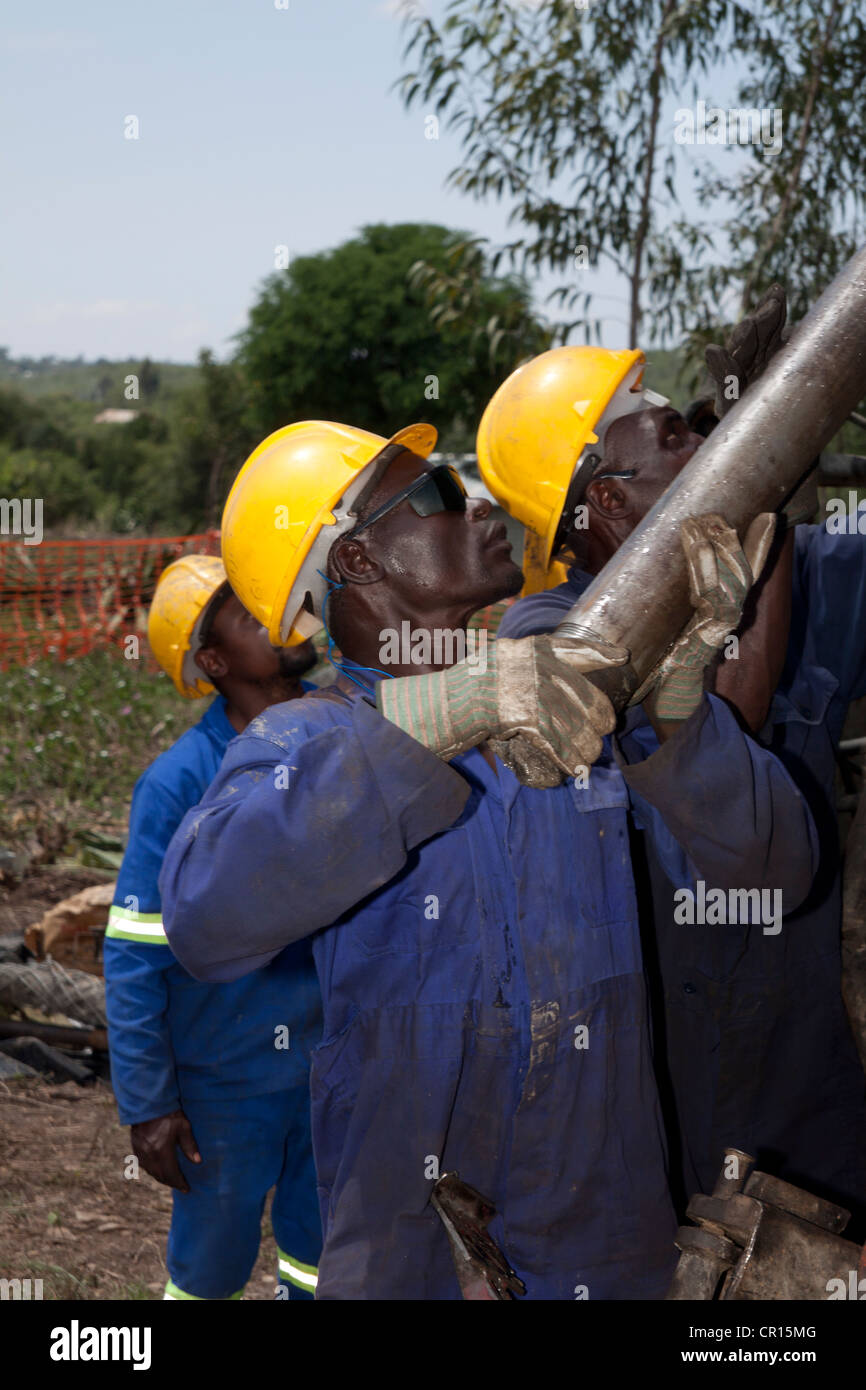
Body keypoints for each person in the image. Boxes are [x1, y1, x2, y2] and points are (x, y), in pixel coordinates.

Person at [160, 420, 817, 1300]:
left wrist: (682, 714)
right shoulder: (308, 737)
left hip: (606, 1237)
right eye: (434, 493)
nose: (474, 503)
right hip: (417, 1240)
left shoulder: (564, 707)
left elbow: (775, 875)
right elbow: (204, 918)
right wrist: (436, 716)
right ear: (356, 562)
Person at [478, 329, 866, 1228]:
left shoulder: (797, 570)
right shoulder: (555, 644)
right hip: (648, 1077)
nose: (709, 451)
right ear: (609, 504)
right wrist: (756, 553)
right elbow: (732, 732)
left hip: (804, 1055)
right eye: (676, 438)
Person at [103, 554, 323, 1300]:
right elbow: (134, 955)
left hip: (336, 1066)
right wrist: (148, 1103)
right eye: (251, 613)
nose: (283, 614)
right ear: (214, 661)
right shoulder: (179, 783)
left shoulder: (344, 734)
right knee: (211, 1269)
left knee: (324, 1255)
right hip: (223, 1082)